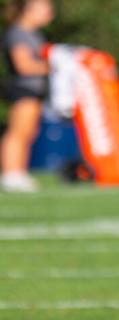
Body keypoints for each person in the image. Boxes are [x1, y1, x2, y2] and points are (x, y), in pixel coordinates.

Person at [2, 0, 52, 194]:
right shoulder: (18, 33)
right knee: (17, 131)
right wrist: (55, 66)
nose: (49, 12)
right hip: (23, 89)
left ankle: (19, 171)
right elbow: (23, 65)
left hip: (35, 90)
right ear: (28, 10)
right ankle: (10, 173)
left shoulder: (34, 35)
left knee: (29, 132)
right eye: (44, 8)